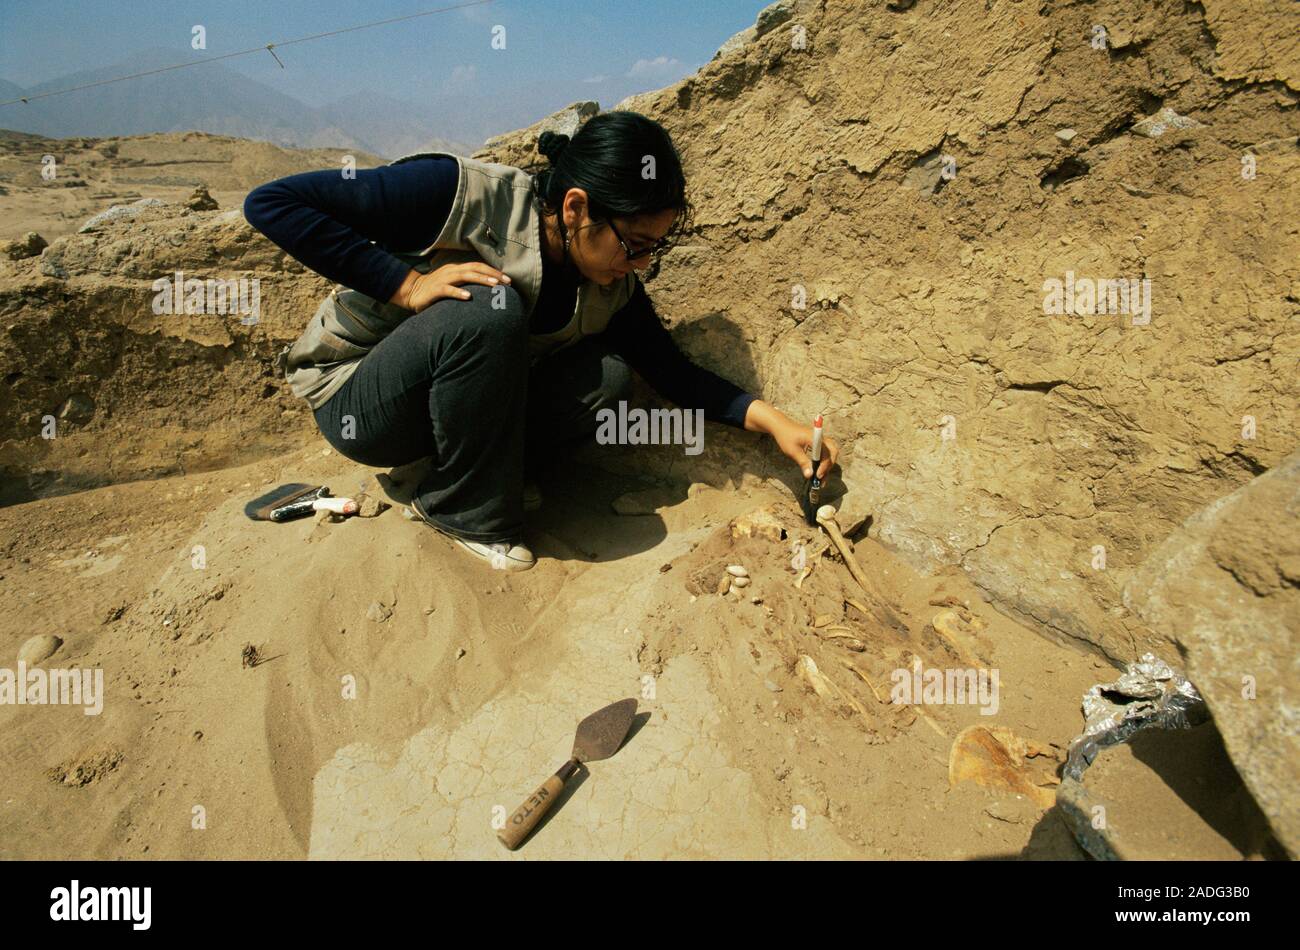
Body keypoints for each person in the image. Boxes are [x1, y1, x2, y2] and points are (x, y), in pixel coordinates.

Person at [244, 110, 838, 572]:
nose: (641, 263)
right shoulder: (460, 196)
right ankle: (461, 511)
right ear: (577, 208)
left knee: (606, 376)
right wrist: (408, 284)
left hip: (439, 414)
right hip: (358, 398)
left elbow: (672, 371)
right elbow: (274, 203)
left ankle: (462, 474)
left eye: (655, 247)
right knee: (490, 304)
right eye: (634, 243)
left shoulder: (610, 286)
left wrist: (775, 424)